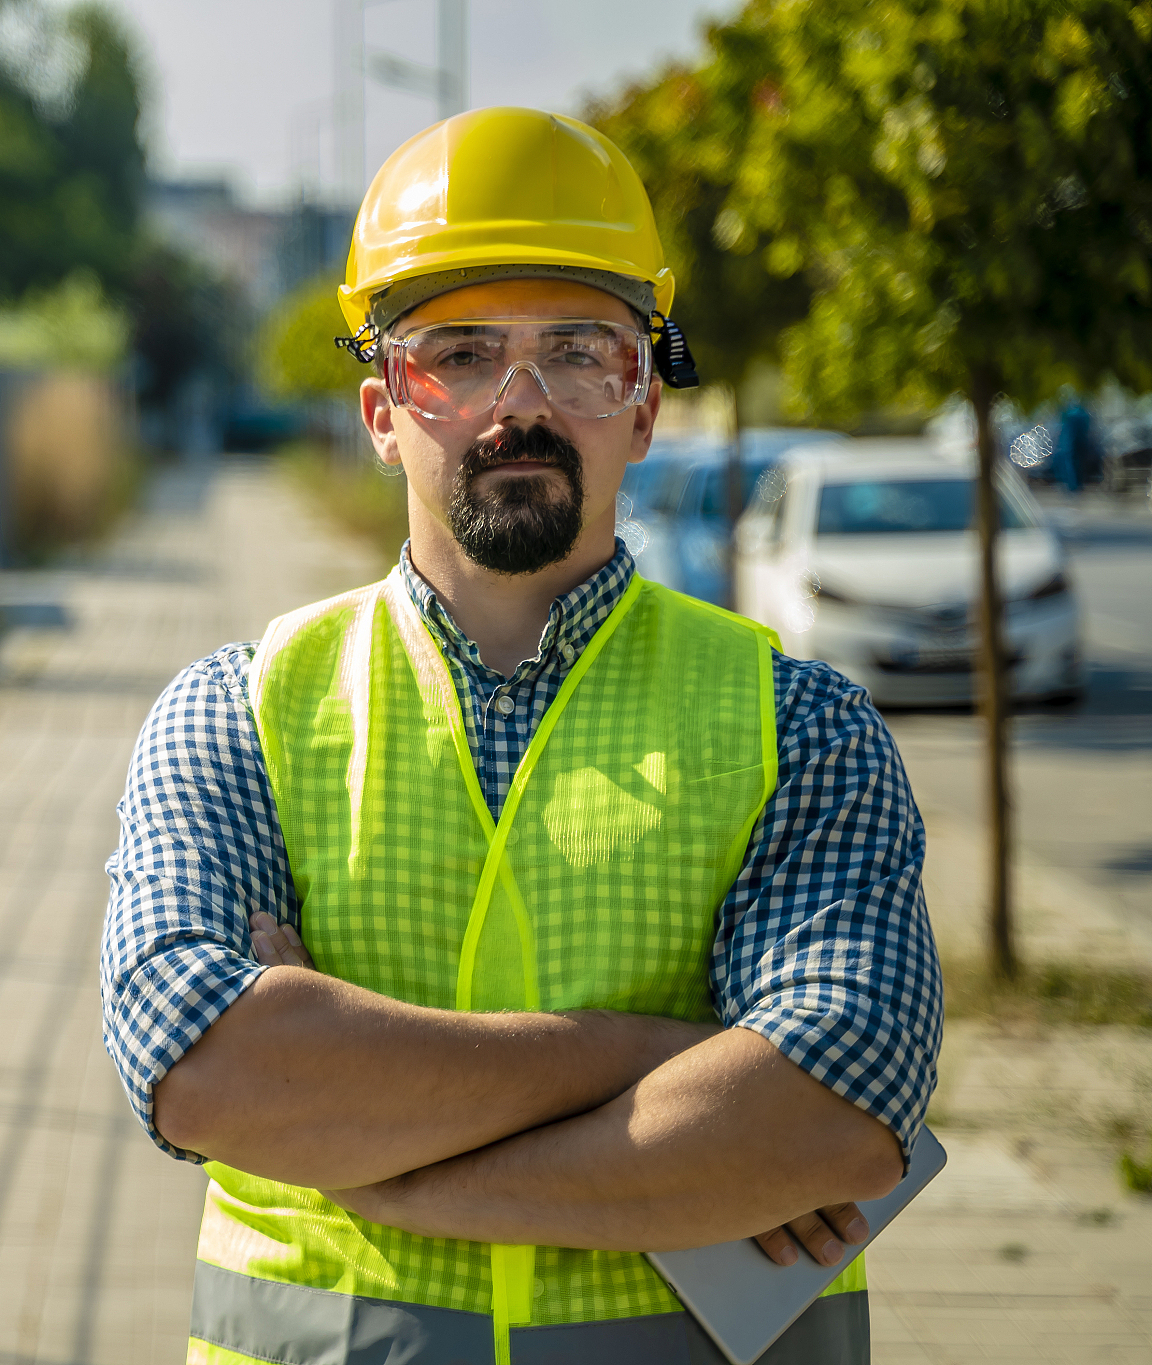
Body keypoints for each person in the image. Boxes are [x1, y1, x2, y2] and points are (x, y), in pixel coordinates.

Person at [102, 108, 942, 1365]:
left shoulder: (798, 728)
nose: (520, 405)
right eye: (459, 355)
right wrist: (666, 1062)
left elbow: (826, 1116)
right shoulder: (237, 714)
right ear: (383, 408)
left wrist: (382, 1166)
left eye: (577, 353)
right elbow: (207, 1072)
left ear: (644, 404)